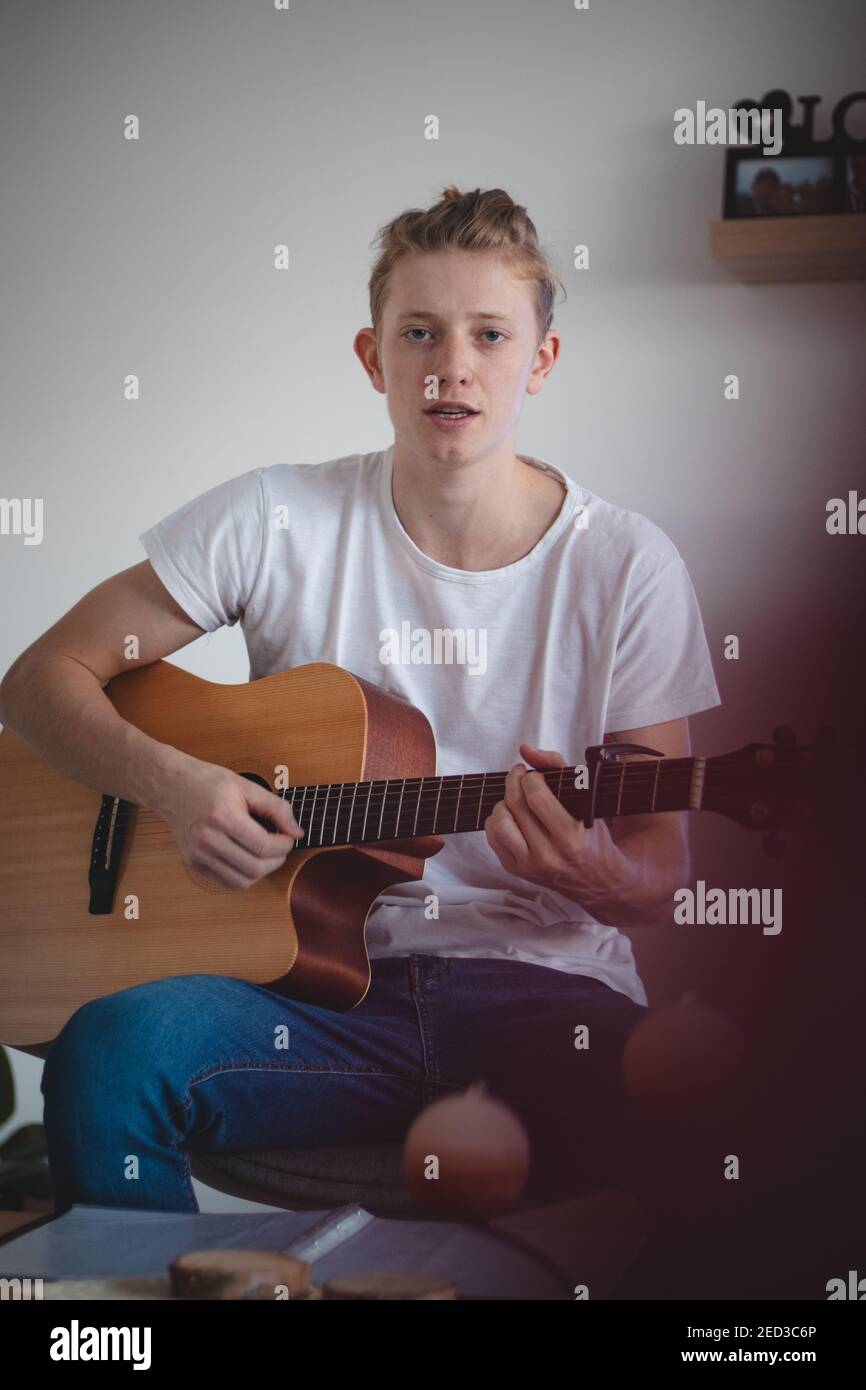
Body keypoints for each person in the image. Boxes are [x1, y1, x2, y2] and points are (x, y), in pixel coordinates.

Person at [0, 185, 720, 1215]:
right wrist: (174, 788)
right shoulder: (273, 517)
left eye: (489, 334)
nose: (451, 365)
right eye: (418, 332)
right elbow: (38, 680)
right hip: (304, 995)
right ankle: (154, 1302)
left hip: (544, 992)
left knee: (690, 1105)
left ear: (541, 360)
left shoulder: (627, 566)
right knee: (107, 1052)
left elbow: (658, 870)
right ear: (372, 356)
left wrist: (595, 874)